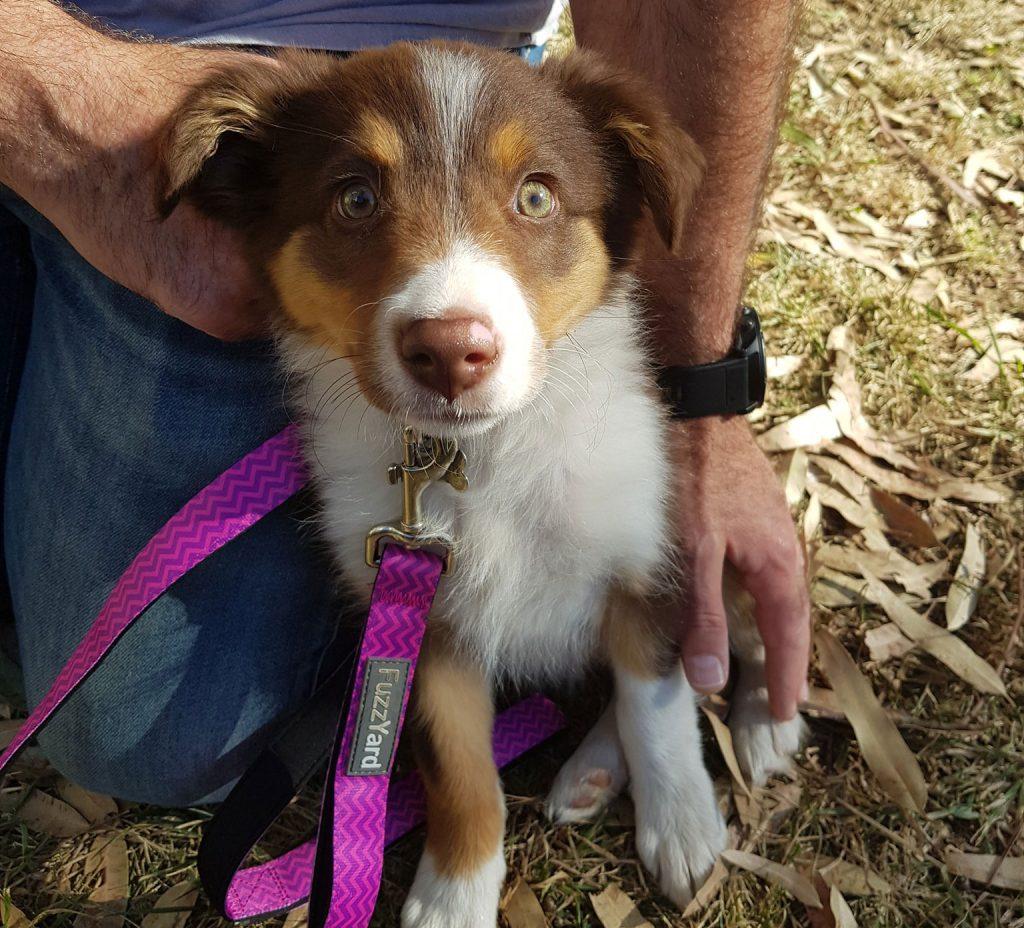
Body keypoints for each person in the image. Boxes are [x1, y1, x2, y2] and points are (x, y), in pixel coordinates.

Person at [0, 0, 809, 808]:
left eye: (534, 199)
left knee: (140, 733)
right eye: (359, 202)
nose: (451, 321)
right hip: (84, 63)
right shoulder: (282, 153)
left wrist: (705, 388)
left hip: (304, 50)